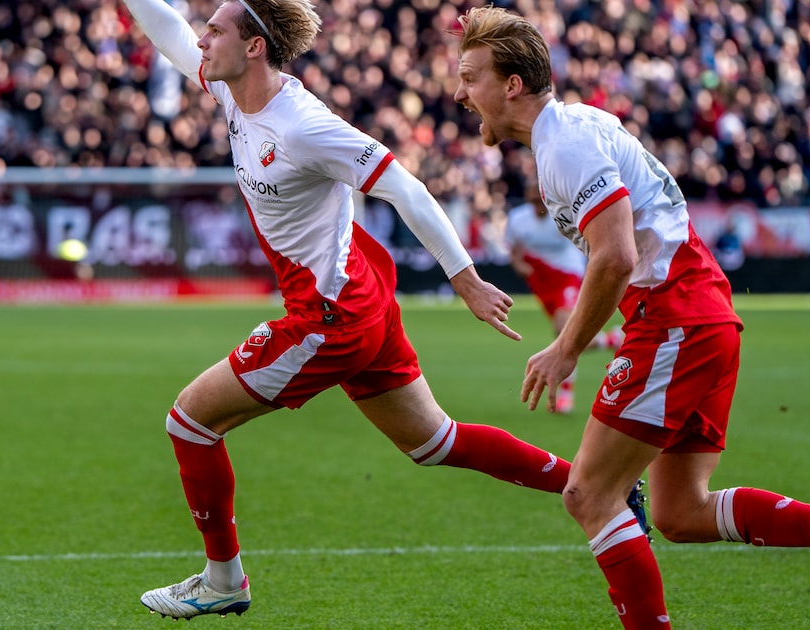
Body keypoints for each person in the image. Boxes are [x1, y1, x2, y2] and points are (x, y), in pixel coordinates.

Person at [119, 0, 641, 620]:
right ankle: (597, 482)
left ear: (254, 47)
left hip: (328, 316)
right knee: (436, 442)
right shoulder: (233, 91)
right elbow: (171, 35)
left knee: (190, 422)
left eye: (216, 29)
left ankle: (223, 579)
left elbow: (405, 187)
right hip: (361, 300)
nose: (202, 38)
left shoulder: (302, 125)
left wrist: (465, 278)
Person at [452, 6, 810, 627]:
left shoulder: (563, 144)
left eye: (470, 77)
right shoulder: (575, 127)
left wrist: (568, 346)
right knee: (679, 513)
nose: (460, 93)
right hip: (700, 316)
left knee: (589, 495)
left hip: (675, 317)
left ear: (511, 84)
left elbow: (617, 255)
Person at [504, 170, 623, 414]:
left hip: (568, 273)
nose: (536, 203)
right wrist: (519, 266)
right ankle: (612, 340)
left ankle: (564, 397)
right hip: (541, 281)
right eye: (531, 198)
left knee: (564, 331)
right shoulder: (517, 218)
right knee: (564, 335)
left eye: (539, 198)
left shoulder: (562, 214)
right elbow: (514, 250)